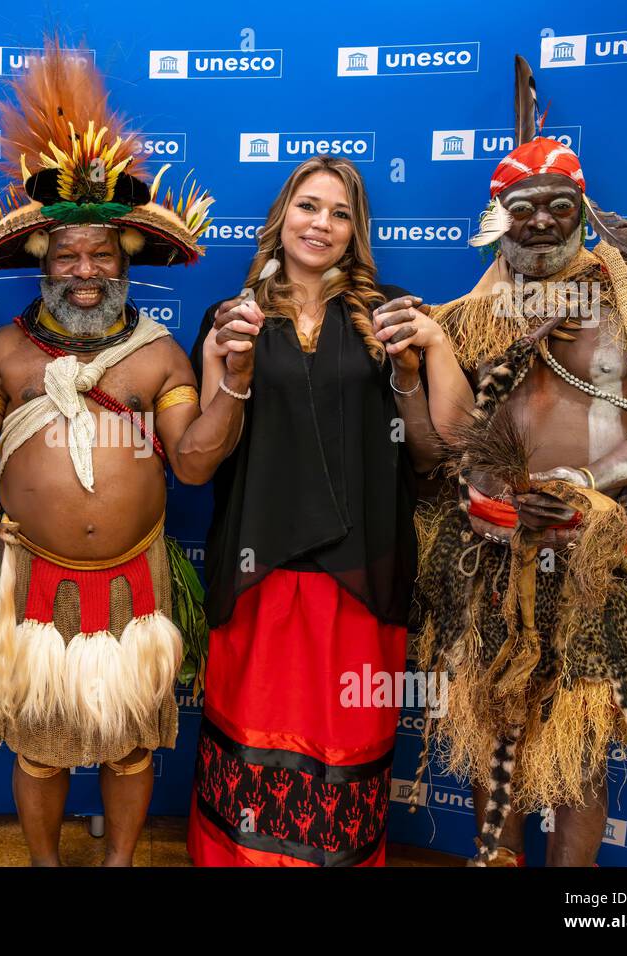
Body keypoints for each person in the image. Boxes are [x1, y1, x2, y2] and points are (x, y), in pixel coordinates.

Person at [0, 44, 252, 866]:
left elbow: (192, 466)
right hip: (34, 579)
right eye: (67, 254)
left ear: (124, 264)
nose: (84, 269)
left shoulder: (160, 359)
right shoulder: (3, 352)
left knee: (130, 744)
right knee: (38, 746)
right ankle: (42, 864)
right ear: (43, 264)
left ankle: (116, 864)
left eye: (101, 255)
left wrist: (237, 382)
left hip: (135, 584)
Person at [411, 59, 627, 866]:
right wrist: (481, 494)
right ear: (497, 217)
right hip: (494, 550)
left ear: (584, 209)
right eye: (522, 207)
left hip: (597, 547)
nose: (540, 221)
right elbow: (454, 434)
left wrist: (584, 488)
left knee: (580, 739)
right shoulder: (477, 313)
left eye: (557, 206)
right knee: (491, 733)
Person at [185, 156, 473, 867]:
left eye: (341, 214)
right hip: (261, 565)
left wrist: (419, 361)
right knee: (255, 733)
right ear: (282, 217)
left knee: (344, 738)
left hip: (361, 569)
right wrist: (235, 376)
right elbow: (197, 461)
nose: (322, 224)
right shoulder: (232, 319)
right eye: (309, 207)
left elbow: (442, 447)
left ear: (356, 232)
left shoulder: (391, 313)